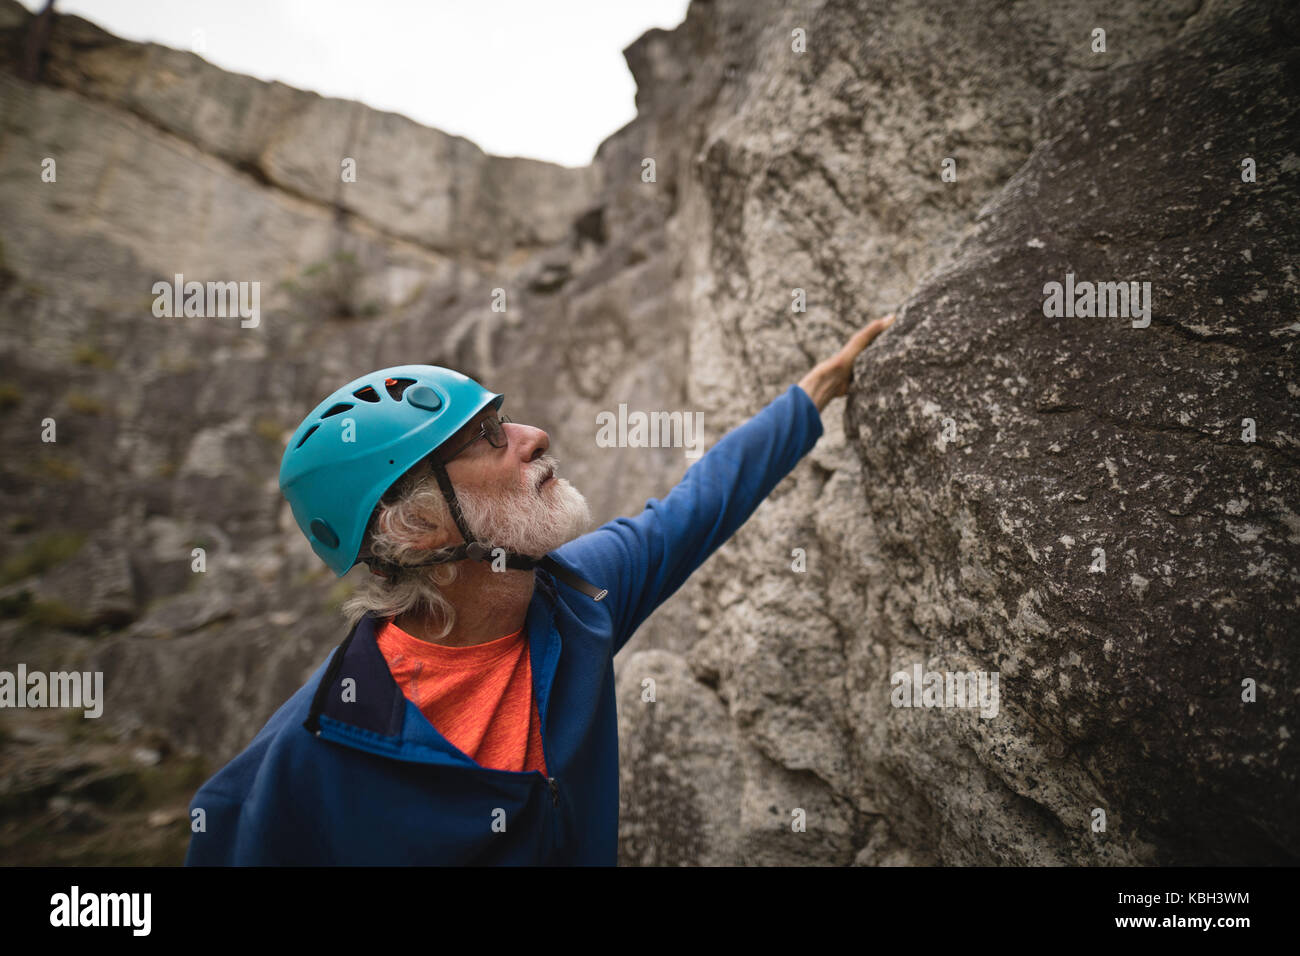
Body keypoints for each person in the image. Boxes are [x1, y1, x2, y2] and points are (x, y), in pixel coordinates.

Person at [183, 314, 895, 865]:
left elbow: (697, 505)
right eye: (489, 437)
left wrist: (819, 389)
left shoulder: (576, 601)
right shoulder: (318, 749)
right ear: (421, 527)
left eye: (504, 417)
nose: (532, 435)